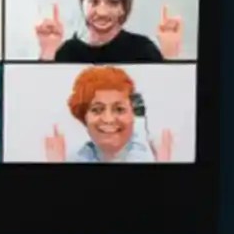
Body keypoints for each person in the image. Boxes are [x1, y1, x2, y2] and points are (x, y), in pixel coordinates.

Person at [34, 0, 184, 62]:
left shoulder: (143, 50)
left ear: (124, 7)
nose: (102, 12)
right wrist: (47, 52)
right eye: (94, 1)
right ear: (82, 3)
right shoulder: (66, 52)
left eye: (112, 2)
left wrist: (170, 55)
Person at [44, 65, 174, 163]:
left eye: (119, 109)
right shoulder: (71, 159)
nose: (108, 119)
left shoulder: (152, 158)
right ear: (84, 117)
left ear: (134, 114)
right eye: (97, 109)